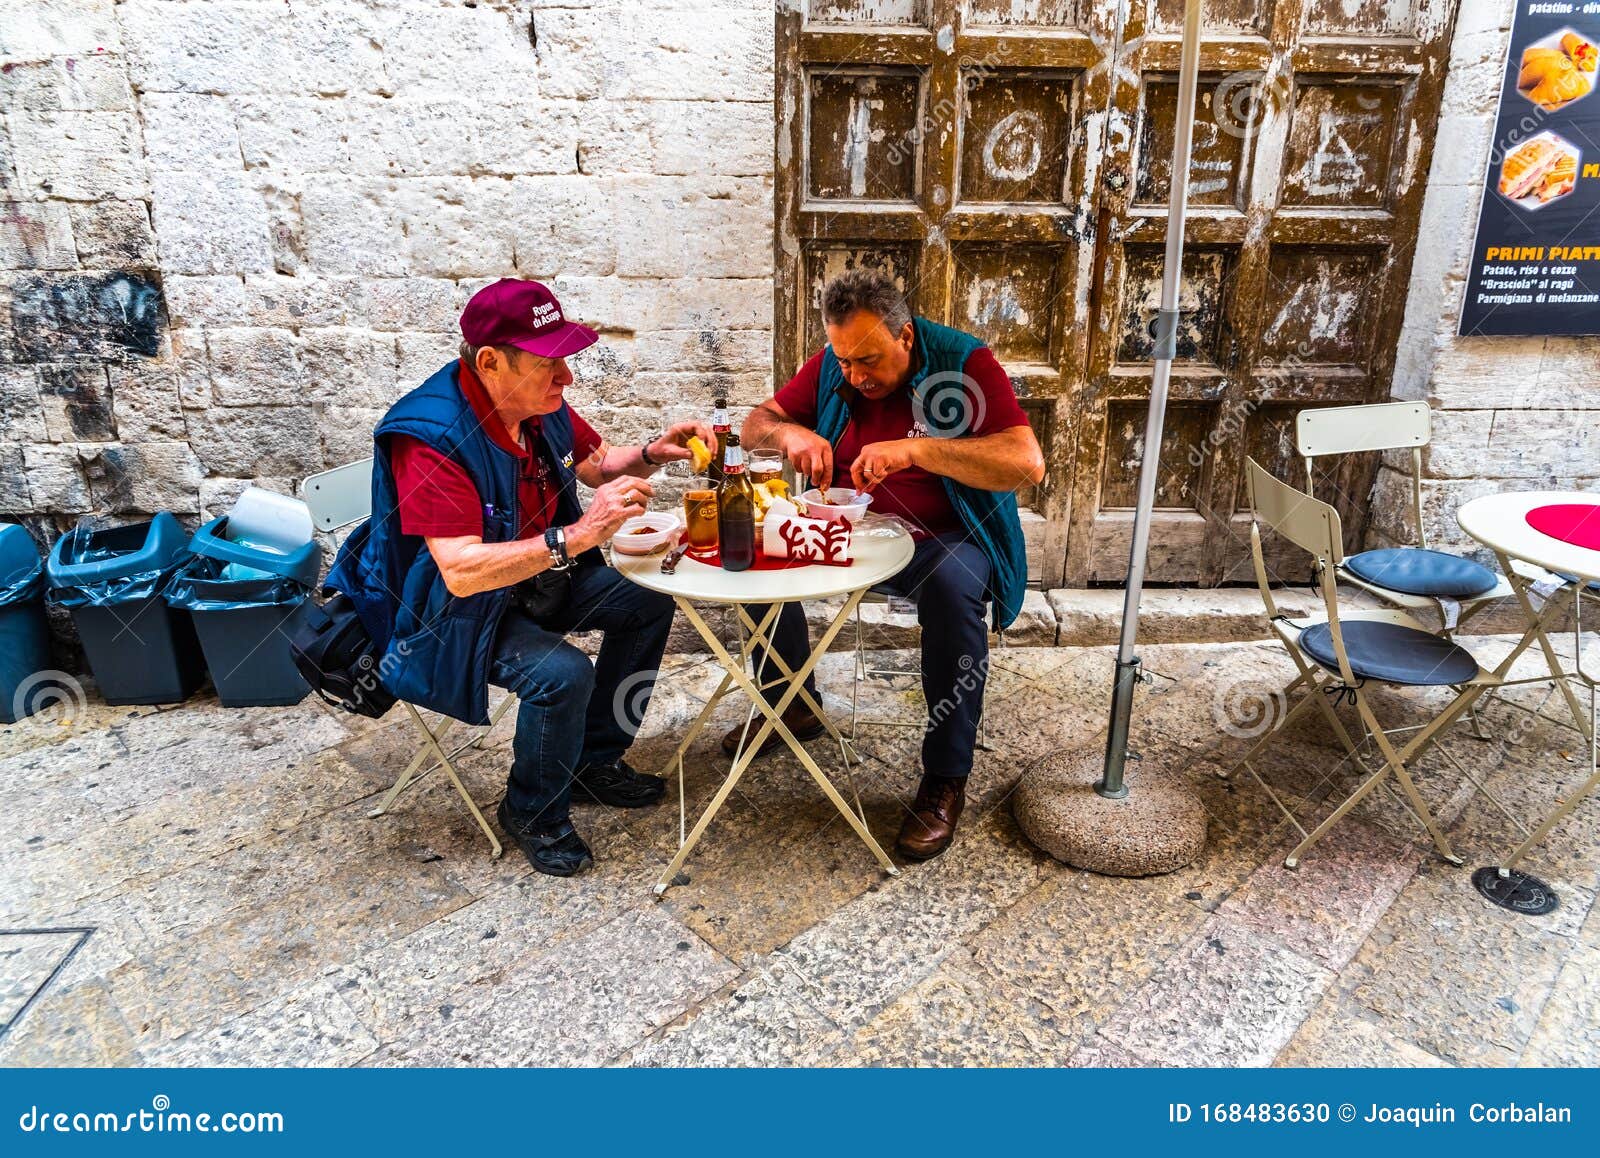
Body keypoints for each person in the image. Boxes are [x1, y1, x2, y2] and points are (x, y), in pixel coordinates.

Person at [327, 279, 713, 877]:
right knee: (562, 674)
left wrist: (652, 452)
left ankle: (594, 761)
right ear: (490, 362)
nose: (567, 378)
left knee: (648, 600)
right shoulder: (432, 438)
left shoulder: (536, 404)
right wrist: (580, 536)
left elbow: (593, 462)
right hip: (446, 612)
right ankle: (533, 812)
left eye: (565, 360)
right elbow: (458, 572)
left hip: (537, 579)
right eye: (550, 363)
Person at [735, 270, 1044, 860]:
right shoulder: (835, 360)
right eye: (845, 361)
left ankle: (945, 778)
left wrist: (917, 449)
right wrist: (791, 435)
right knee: (752, 544)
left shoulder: (964, 363)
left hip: (941, 539)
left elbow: (1027, 464)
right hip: (850, 532)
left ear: (906, 336)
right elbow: (757, 425)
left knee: (955, 587)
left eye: (868, 361)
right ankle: (790, 703)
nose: (854, 376)